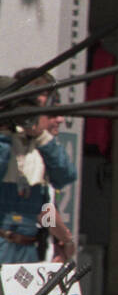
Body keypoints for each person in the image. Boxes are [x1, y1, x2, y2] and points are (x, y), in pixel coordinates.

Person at [0, 69, 77, 264]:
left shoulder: (44, 148)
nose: (58, 118)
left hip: (29, 250)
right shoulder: (6, 142)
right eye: (49, 110)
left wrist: (63, 239)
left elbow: (63, 179)